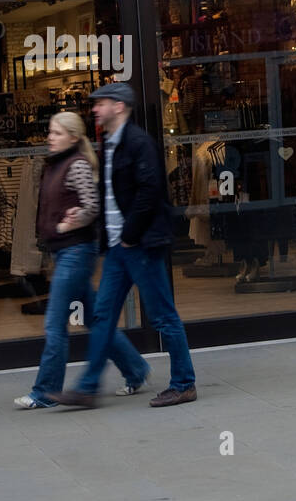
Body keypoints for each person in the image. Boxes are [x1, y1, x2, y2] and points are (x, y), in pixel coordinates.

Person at [50, 83, 197, 408]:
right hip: (120, 247)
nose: (95, 109)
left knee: (162, 316)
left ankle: (184, 384)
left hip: (140, 244)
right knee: (103, 317)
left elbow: (148, 193)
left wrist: (129, 235)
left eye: (101, 103)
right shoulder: (110, 145)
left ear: (119, 107)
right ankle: (87, 388)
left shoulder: (138, 143)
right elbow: (113, 195)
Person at [14, 112, 150, 410]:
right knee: (94, 319)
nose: (50, 137)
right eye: (50, 131)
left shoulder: (75, 165)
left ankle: (45, 392)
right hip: (65, 252)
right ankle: (136, 370)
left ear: (74, 138)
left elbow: (92, 206)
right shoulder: (54, 163)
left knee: (54, 324)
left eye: (57, 133)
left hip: (76, 252)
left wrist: (68, 224)